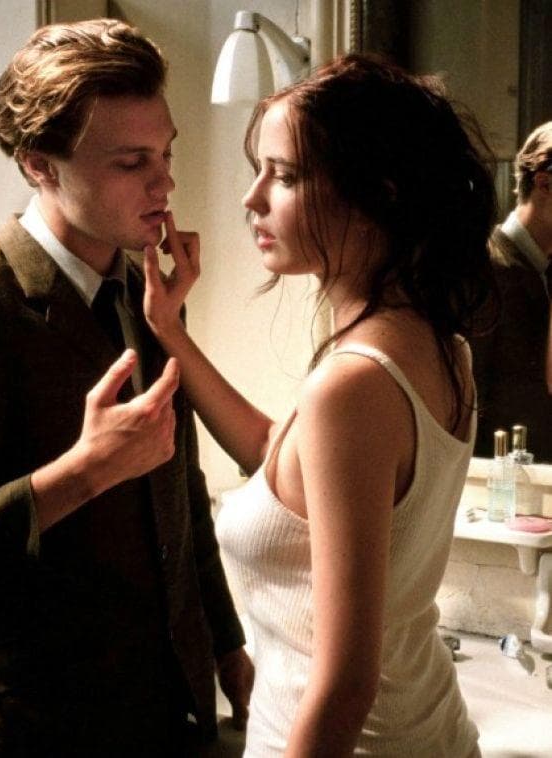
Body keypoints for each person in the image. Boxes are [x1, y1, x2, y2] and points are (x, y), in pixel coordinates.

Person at [0, 18, 253, 758]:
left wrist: (225, 644)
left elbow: (178, 489)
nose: (164, 184)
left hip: (172, 715)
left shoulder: (145, 291)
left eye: (166, 153)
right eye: (132, 161)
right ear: (39, 165)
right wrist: (83, 473)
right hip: (42, 735)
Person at [143, 54, 496, 756]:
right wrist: (170, 333)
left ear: (377, 193)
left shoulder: (352, 386)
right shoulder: (435, 345)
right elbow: (286, 462)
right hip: (431, 730)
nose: (252, 199)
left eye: (284, 175)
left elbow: (344, 685)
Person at [472, 121, 552, 462]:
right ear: (545, 184)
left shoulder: (544, 269)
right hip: (497, 479)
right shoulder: (485, 269)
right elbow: (467, 402)